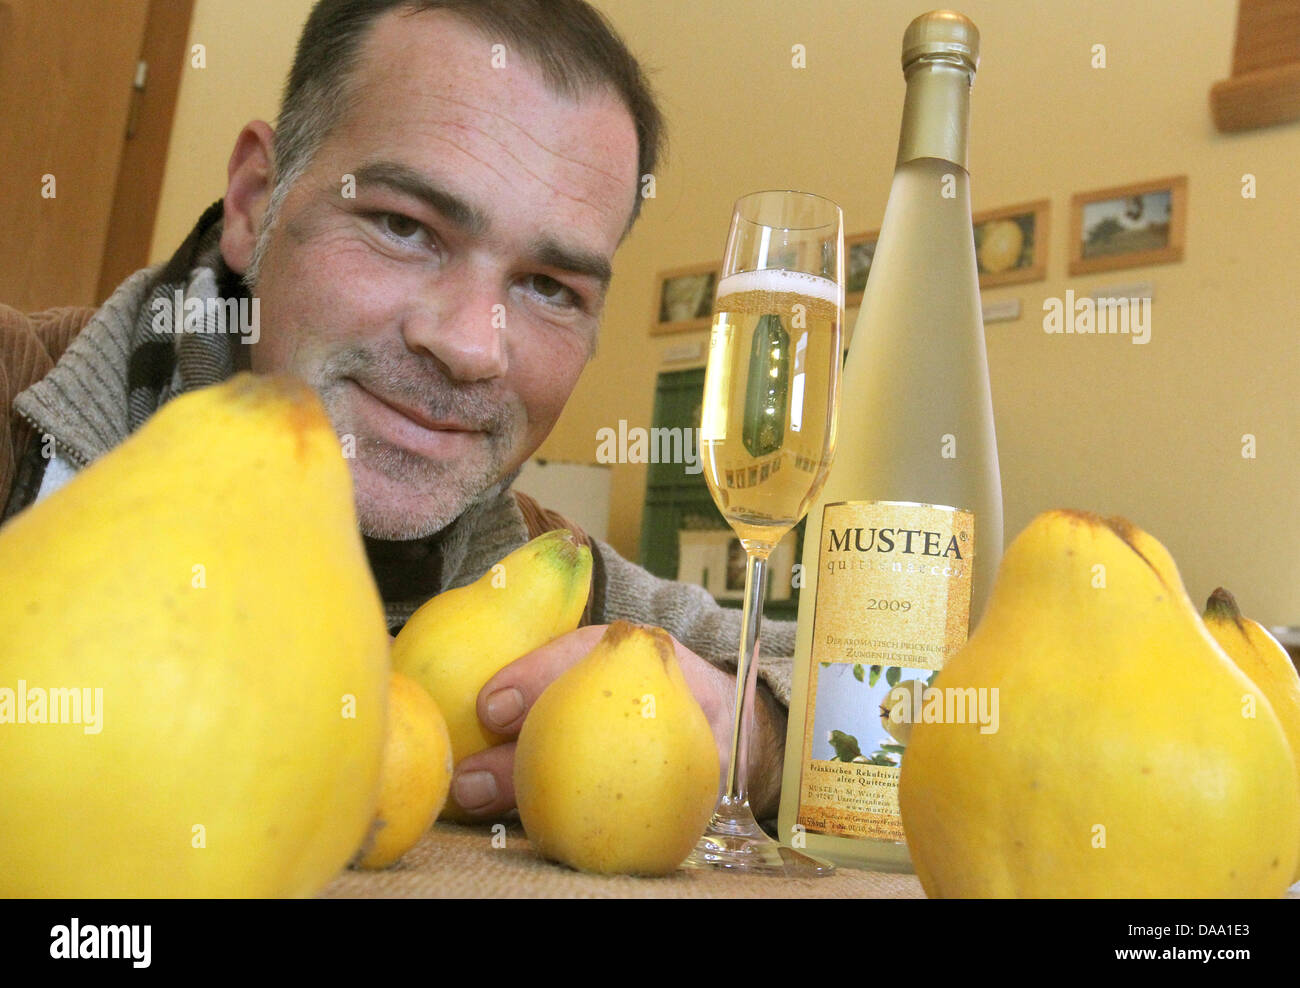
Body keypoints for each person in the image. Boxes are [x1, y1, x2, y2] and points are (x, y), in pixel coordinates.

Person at [0, 0, 793, 823]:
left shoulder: (540, 580)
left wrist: (751, 734)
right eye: (403, 226)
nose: (470, 347)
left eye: (549, 288)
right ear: (252, 202)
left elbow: (866, 694)